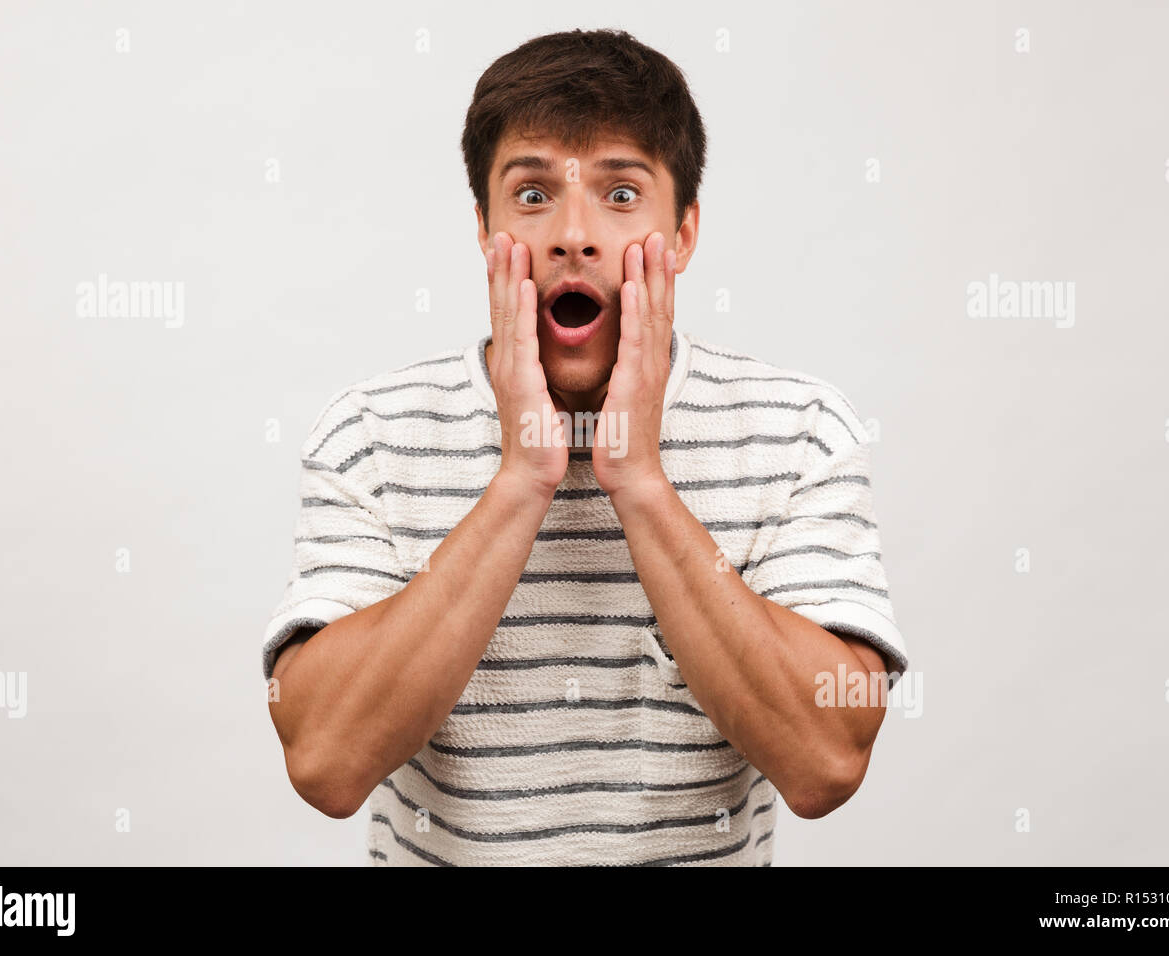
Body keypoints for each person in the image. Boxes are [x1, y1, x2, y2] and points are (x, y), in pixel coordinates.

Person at [262, 28, 909, 866]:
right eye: (531, 196)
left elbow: (826, 761)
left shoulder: (800, 432)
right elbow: (325, 761)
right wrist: (522, 479)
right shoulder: (370, 436)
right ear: (484, 229)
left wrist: (640, 483)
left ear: (682, 234)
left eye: (621, 193)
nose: (574, 235)